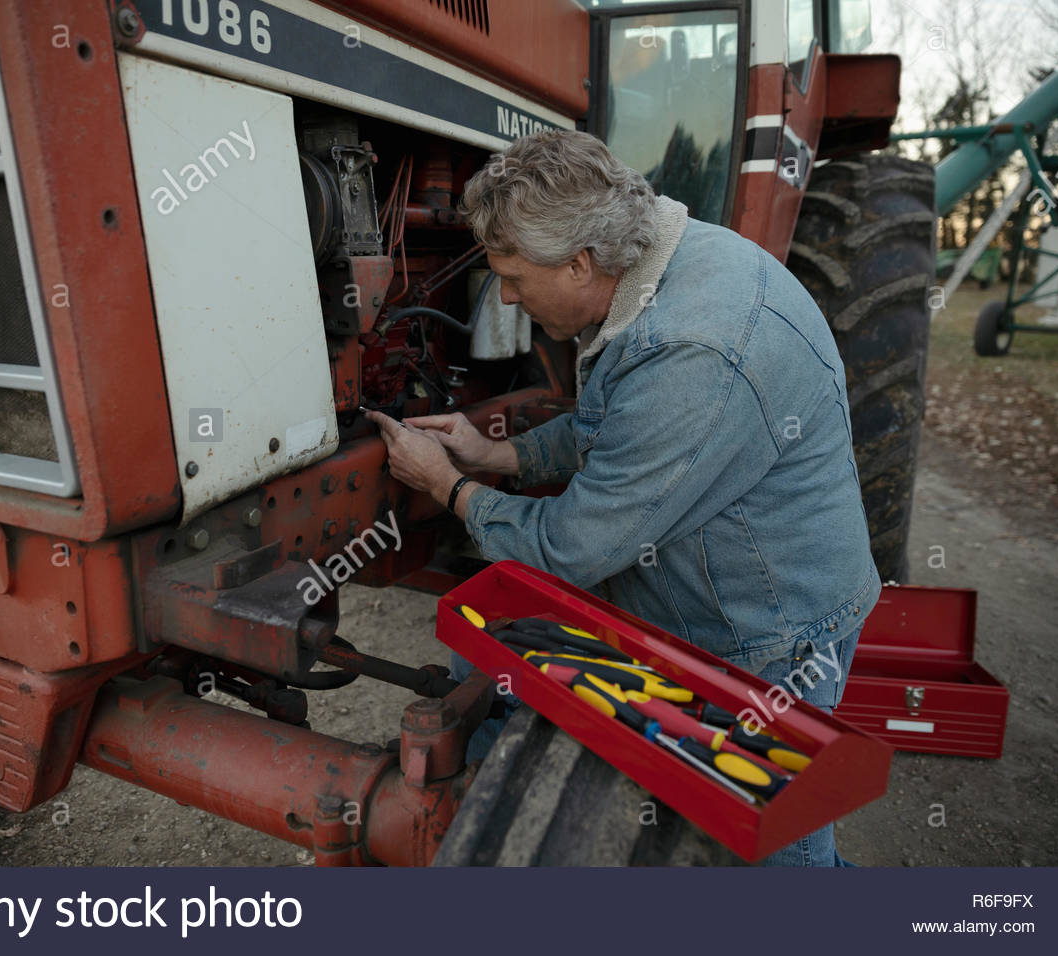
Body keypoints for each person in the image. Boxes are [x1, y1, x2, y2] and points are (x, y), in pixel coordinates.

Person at [365, 129, 880, 867]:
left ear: (580, 262)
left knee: (774, 861)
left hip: (768, 631)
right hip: (700, 584)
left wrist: (449, 487)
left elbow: (567, 550)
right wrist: (503, 452)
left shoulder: (695, 347)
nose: (505, 294)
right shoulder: (663, 260)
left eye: (512, 276)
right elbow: (625, 423)